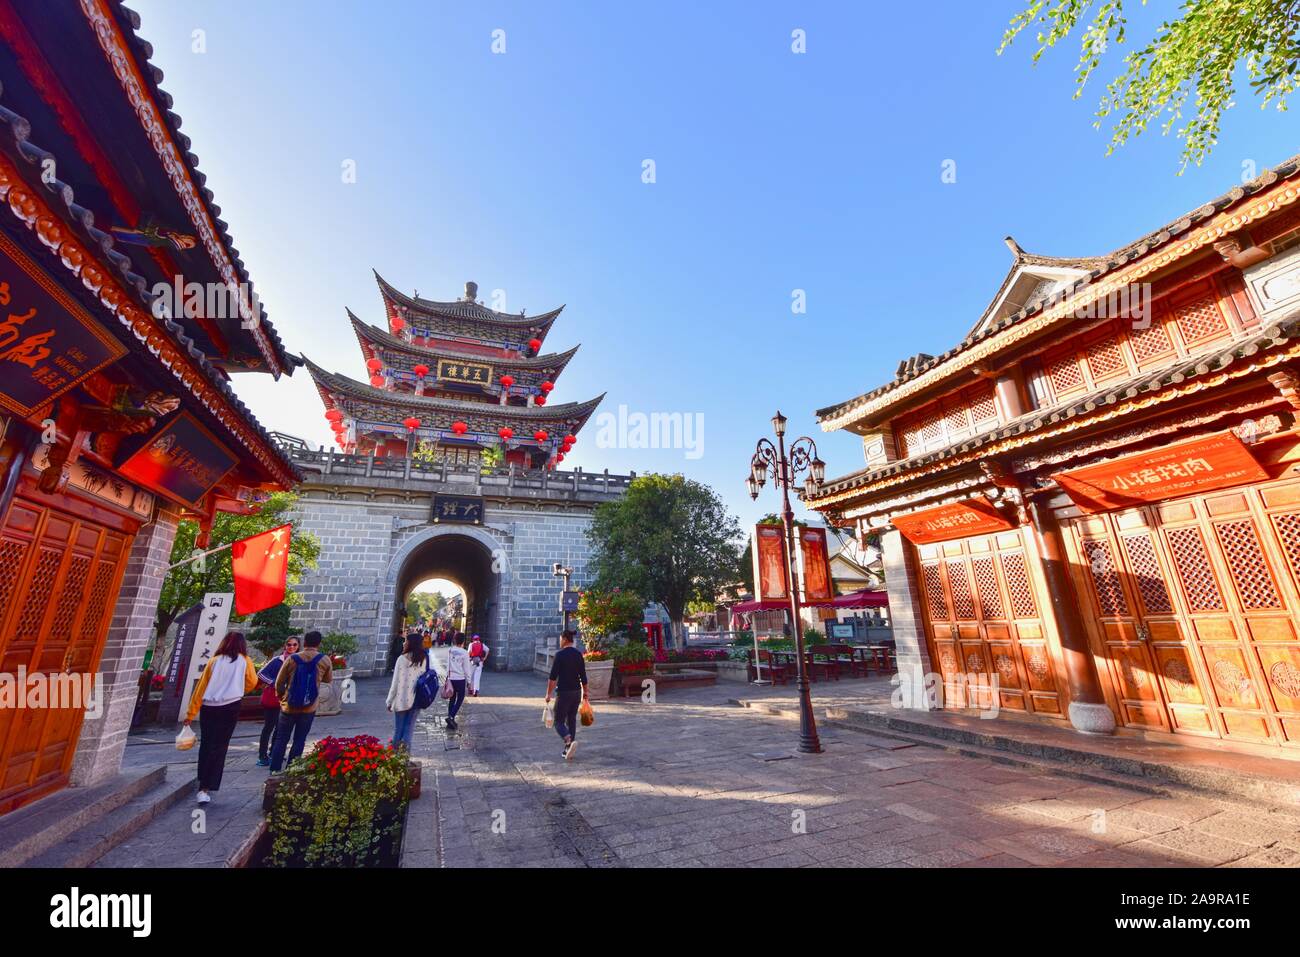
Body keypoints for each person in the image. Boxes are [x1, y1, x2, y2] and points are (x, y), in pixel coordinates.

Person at [184, 630, 259, 804]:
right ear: (242, 645)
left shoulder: (214, 661)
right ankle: (206, 787)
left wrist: (190, 713)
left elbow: (200, 688)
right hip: (230, 706)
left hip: (209, 707)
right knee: (220, 747)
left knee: (207, 744)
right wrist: (238, 689)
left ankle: (202, 781)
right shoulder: (245, 661)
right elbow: (252, 682)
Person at [270, 630, 333, 773]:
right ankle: (292, 769)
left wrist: (281, 696)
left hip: (288, 706)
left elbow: (279, 682)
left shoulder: (292, 658)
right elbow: (328, 680)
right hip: (309, 707)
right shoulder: (324, 660)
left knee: (281, 738)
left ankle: (274, 770)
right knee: (300, 739)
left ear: (304, 643)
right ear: (319, 643)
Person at [545, 630, 589, 761]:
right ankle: (568, 749)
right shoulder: (578, 654)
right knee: (571, 720)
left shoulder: (560, 655)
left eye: (560, 639)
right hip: (576, 693)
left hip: (564, 692)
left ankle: (568, 739)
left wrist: (548, 694)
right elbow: (583, 676)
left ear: (564, 639)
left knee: (558, 722)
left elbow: (553, 678)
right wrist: (586, 692)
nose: (560, 641)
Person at [255, 637, 299, 766]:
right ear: (285, 646)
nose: (291, 647)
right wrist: (275, 683)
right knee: (269, 727)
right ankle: (262, 756)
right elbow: (261, 674)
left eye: (294, 645)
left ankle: (274, 752)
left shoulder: (297, 661)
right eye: (289, 644)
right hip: (273, 698)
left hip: (287, 699)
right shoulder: (277, 661)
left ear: (298, 646)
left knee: (280, 728)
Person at [387, 632, 429, 750]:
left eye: (406, 640)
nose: (404, 643)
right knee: (409, 730)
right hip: (416, 699)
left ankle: (395, 758)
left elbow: (395, 682)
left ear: (411, 643)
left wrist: (389, 701)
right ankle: (405, 757)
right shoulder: (423, 658)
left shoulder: (401, 659)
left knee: (398, 730)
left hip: (401, 699)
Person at [445, 632, 471, 730]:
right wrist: (469, 681)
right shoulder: (464, 652)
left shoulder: (450, 650)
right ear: (463, 641)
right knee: (460, 698)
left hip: (451, 678)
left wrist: (447, 677)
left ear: (455, 640)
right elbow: (467, 668)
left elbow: (447, 664)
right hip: (460, 678)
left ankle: (450, 719)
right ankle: (451, 717)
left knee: (452, 698)